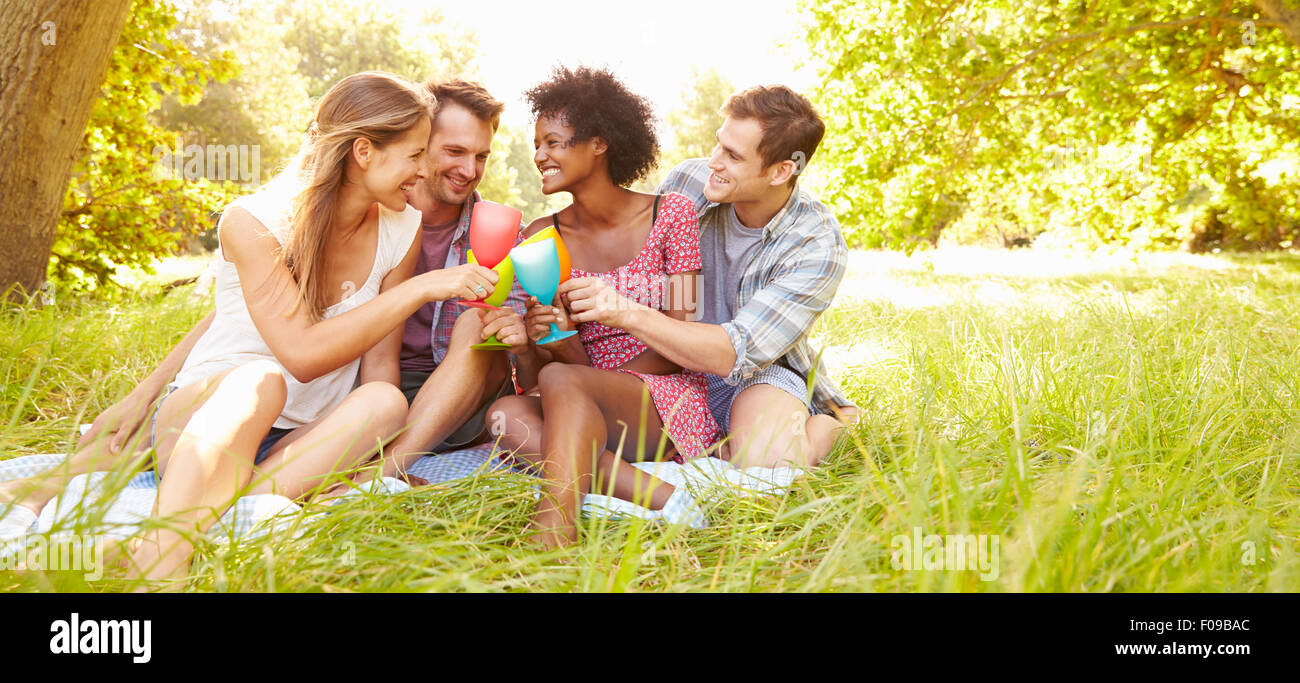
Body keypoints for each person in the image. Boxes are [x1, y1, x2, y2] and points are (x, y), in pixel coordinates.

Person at [0, 72, 502, 585]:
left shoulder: (402, 226)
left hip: (298, 438)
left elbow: (379, 365)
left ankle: (162, 537)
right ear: (364, 152)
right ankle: (162, 566)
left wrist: (364, 458)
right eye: (415, 155)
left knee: (385, 401)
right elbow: (300, 355)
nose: (422, 171)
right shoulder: (255, 220)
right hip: (208, 420)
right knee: (260, 381)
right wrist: (420, 289)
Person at [563, 84, 860, 468]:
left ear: (781, 171)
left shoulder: (815, 244)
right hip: (672, 364)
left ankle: (834, 425)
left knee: (769, 466)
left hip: (754, 373)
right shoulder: (687, 182)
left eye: (733, 156)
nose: (714, 162)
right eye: (719, 144)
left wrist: (624, 313)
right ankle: (718, 448)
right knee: (580, 427)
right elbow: (644, 267)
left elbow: (735, 353)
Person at [489, 66, 714, 548]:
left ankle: (553, 529)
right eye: (537, 145)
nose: (539, 155)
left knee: (561, 383)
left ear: (599, 143)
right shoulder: (539, 238)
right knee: (505, 413)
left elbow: (685, 338)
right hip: (578, 393)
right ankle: (665, 498)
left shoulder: (671, 213)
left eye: (553, 143)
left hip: (663, 399)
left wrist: (592, 379)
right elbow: (545, 372)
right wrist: (554, 341)